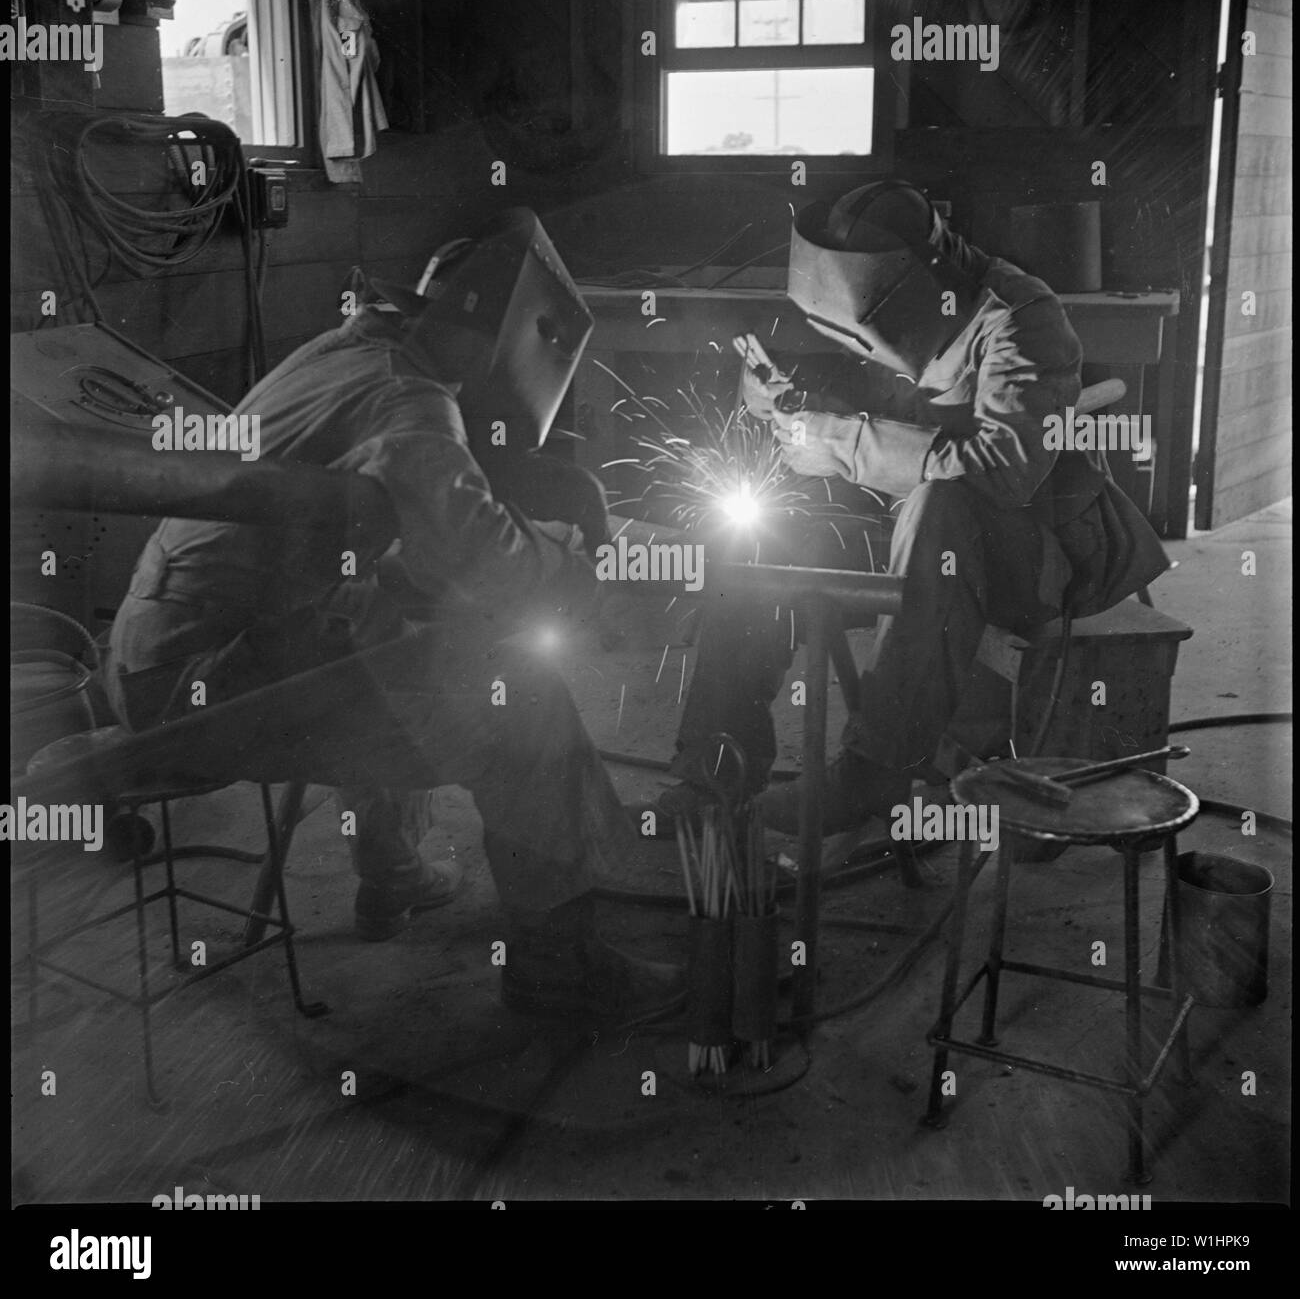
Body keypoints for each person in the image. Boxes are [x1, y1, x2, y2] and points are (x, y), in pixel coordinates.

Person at [103, 207, 682, 1023]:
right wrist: (585, 578)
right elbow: (497, 566)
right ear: (497, 339)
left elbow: (419, 549)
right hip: (205, 690)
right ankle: (558, 969)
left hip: (161, 653)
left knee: (403, 618)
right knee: (526, 703)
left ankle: (392, 868)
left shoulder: (347, 349)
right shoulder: (408, 406)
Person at [654, 180, 1170, 834]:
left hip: (1033, 555)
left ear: (919, 282)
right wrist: (790, 404)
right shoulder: (898, 307)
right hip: (911, 533)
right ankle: (713, 772)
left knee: (941, 504)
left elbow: (1002, 473)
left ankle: (876, 771)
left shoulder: (1020, 319)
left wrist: (839, 443)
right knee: (761, 540)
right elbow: (882, 419)